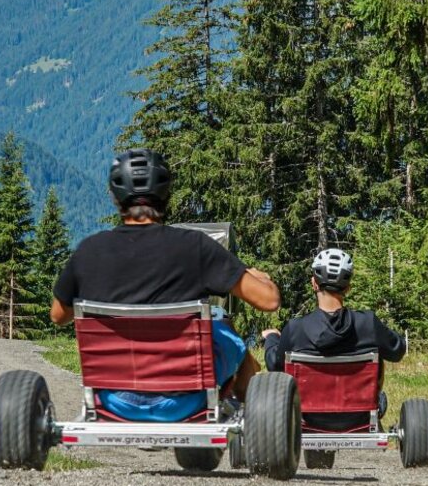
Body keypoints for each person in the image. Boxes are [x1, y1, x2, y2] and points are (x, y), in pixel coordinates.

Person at [51, 149, 279, 421]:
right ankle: (243, 410)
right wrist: (261, 278)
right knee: (228, 332)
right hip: (186, 399)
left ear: (115, 197)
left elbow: (59, 316)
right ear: (167, 192)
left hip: (114, 398)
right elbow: (268, 301)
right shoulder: (195, 247)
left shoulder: (89, 251)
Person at [261, 247, 408, 431]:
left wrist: (272, 338)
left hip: (308, 418)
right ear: (348, 287)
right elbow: (397, 351)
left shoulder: (295, 329)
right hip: (359, 417)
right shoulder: (368, 324)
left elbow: (274, 364)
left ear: (314, 283)